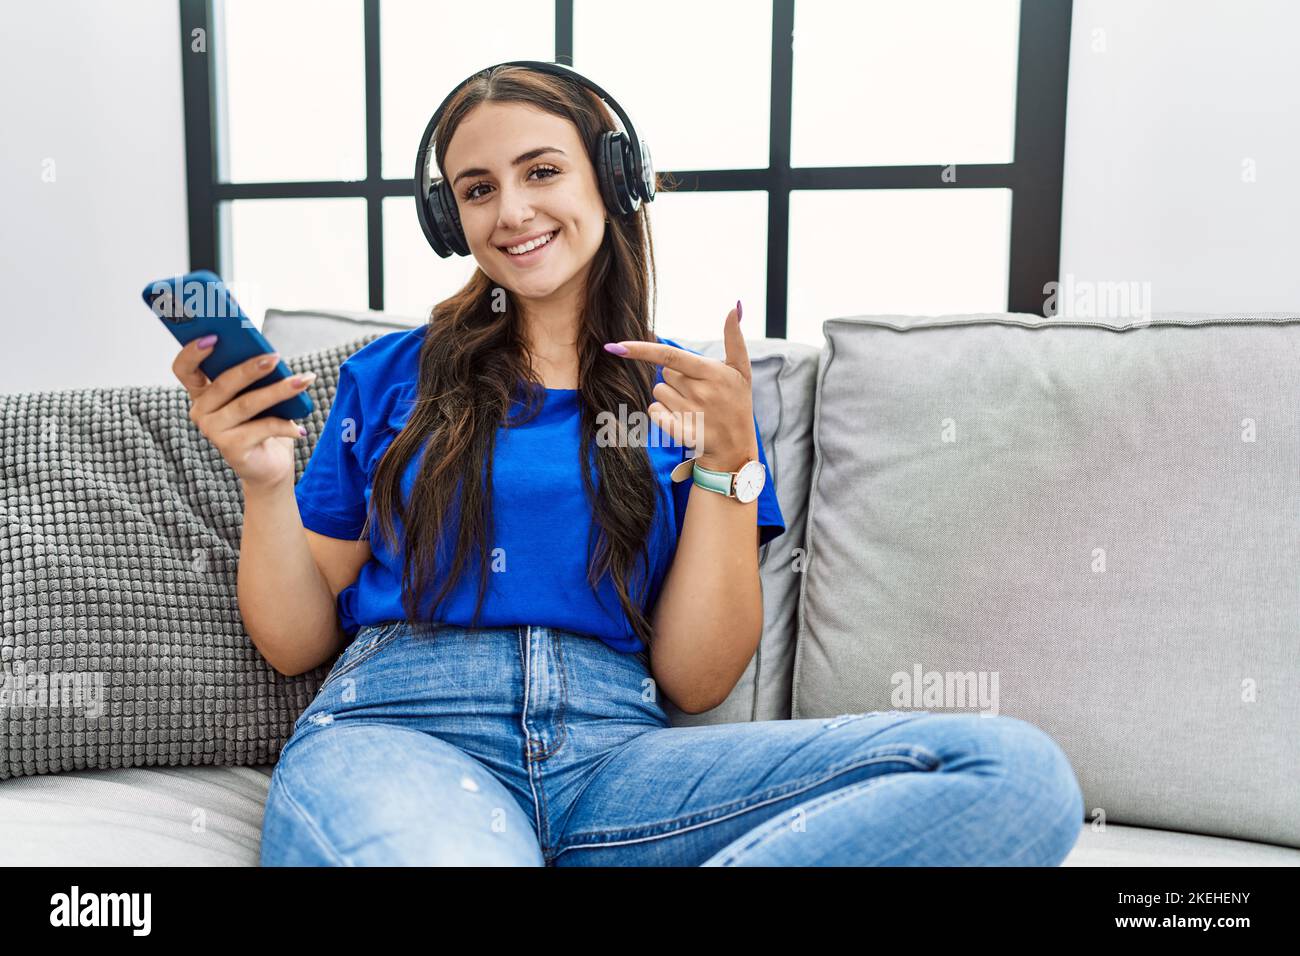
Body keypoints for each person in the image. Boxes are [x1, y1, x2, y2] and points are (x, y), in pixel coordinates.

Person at [172, 63, 1084, 866]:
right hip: (405, 730)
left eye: (541, 171)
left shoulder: (695, 397)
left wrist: (728, 465)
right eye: (478, 189)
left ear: (612, 180)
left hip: (617, 760)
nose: (513, 210)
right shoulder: (388, 377)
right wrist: (264, 484)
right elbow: (295, 643)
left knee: (1009, 771)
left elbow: (696, 678)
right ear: (451, 219)